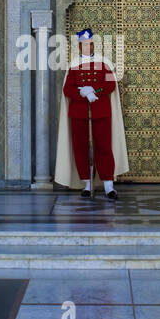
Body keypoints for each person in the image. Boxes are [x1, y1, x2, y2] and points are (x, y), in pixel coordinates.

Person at [54, 28, 129, 197]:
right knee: (80, 149)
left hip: (101, 112)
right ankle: (87, 184)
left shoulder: (105, 63)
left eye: (89, 44)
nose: (86, 47)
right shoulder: (73, 65)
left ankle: (109, 186)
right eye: (83, 45)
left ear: (93, 45)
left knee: (103, 147)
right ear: (79, 46)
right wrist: (82, 93)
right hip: (79, 113)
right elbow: (67, 90)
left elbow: (110, 85)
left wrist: (95, 90)